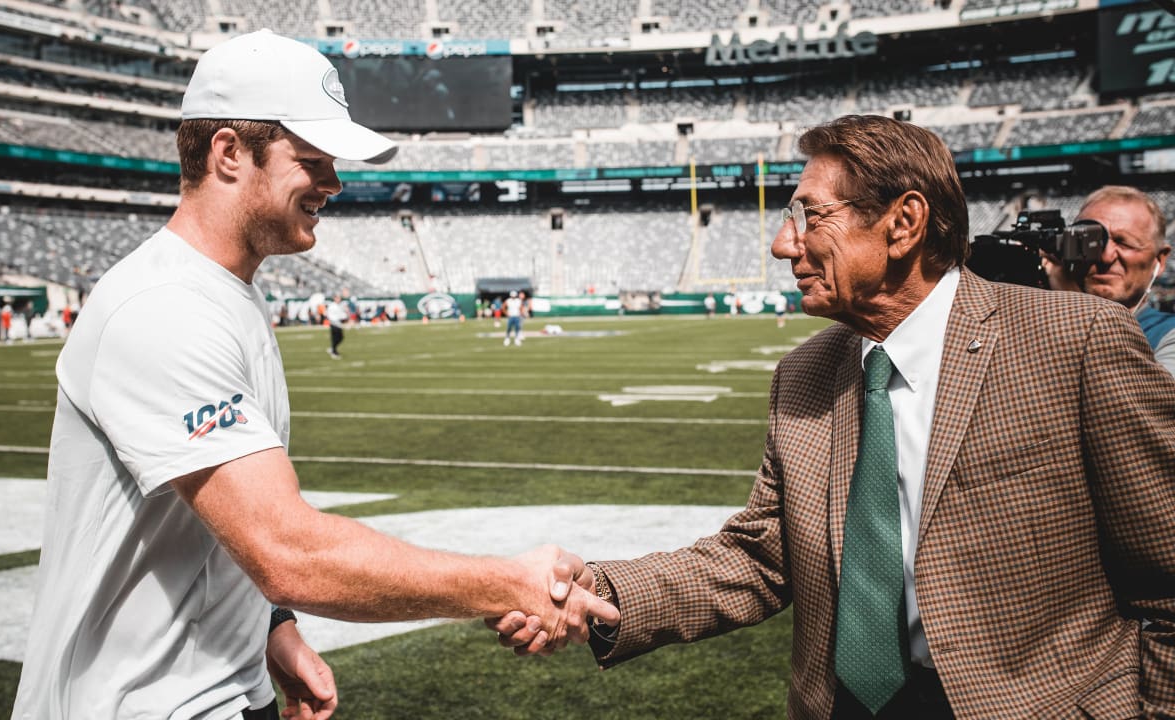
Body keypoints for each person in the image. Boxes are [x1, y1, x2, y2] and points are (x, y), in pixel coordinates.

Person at [12, 30, 616, 720]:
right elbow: (286, 549)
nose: (332, 182)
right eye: (312, 160)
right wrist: (507, 583)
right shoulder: (164, 309)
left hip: (211, 694)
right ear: (229, 153)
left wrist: (273, 628)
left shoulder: (223, 292)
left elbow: (210, 523)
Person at [493, 115, 1175, 719]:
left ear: (902, 224)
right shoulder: (807, 372)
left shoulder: (1074, 341)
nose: (783, 246)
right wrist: (603, 593)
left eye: (810, 216)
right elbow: (759, 556)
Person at [1042, 185, 1175, 376]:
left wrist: (1075, 308)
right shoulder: (1040, 322)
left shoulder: (1167, 334)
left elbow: (1144, 403)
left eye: (1124, 242)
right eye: (1091, 241)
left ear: (1159, 259)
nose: (1105, 257)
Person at [325, 294, 347, 359]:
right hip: (334, 324)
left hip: (338, 324)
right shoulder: (332, 306)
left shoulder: (340, 305)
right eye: (337, 298)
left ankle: (332, 349)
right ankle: (334, 352)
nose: (339, 299)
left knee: (340, 338)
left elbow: (342, 314)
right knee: (335, 339)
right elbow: (330, 316)